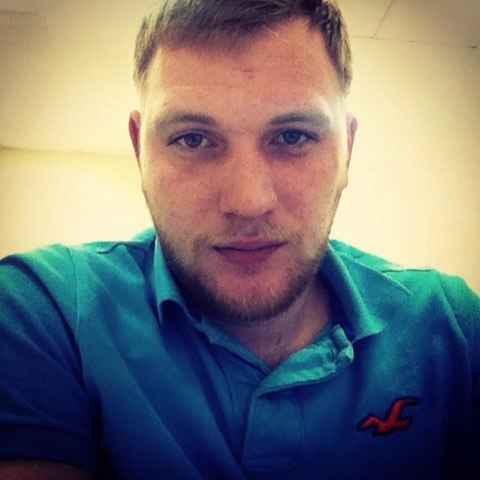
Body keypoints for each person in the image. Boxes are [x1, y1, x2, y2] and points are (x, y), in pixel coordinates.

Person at [0, 0, 478, 478]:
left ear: (346, 151)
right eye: (192, 139)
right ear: (140, 150)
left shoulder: (451, 331)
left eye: (292, 137)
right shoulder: (45, 312)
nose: (248, 201)